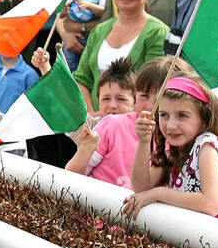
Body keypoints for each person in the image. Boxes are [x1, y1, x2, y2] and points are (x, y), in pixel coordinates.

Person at [124, 74, 218, 223]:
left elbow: (211, 204)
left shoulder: (206, 146)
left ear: (204, 118)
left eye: (182, 116)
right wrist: (144, 141)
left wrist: (158, 193)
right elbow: (141, 189)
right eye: (164, 115)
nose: (171, 125)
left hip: (217, 242)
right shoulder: (177, 150)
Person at [69, 0, 167, 107]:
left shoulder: (158, 32)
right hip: (95, 124)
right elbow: (82, 78)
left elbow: (151, 86)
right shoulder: (99, 30)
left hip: (133, 124)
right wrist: (93, 115)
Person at [66, 58, 154, 188]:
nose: (112, 105)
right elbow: (71, 174)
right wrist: (45, 67)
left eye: (121, 99)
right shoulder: (93, 125)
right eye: (106, 99)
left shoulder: (156, 131)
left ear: (136, 101)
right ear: (98, 101)